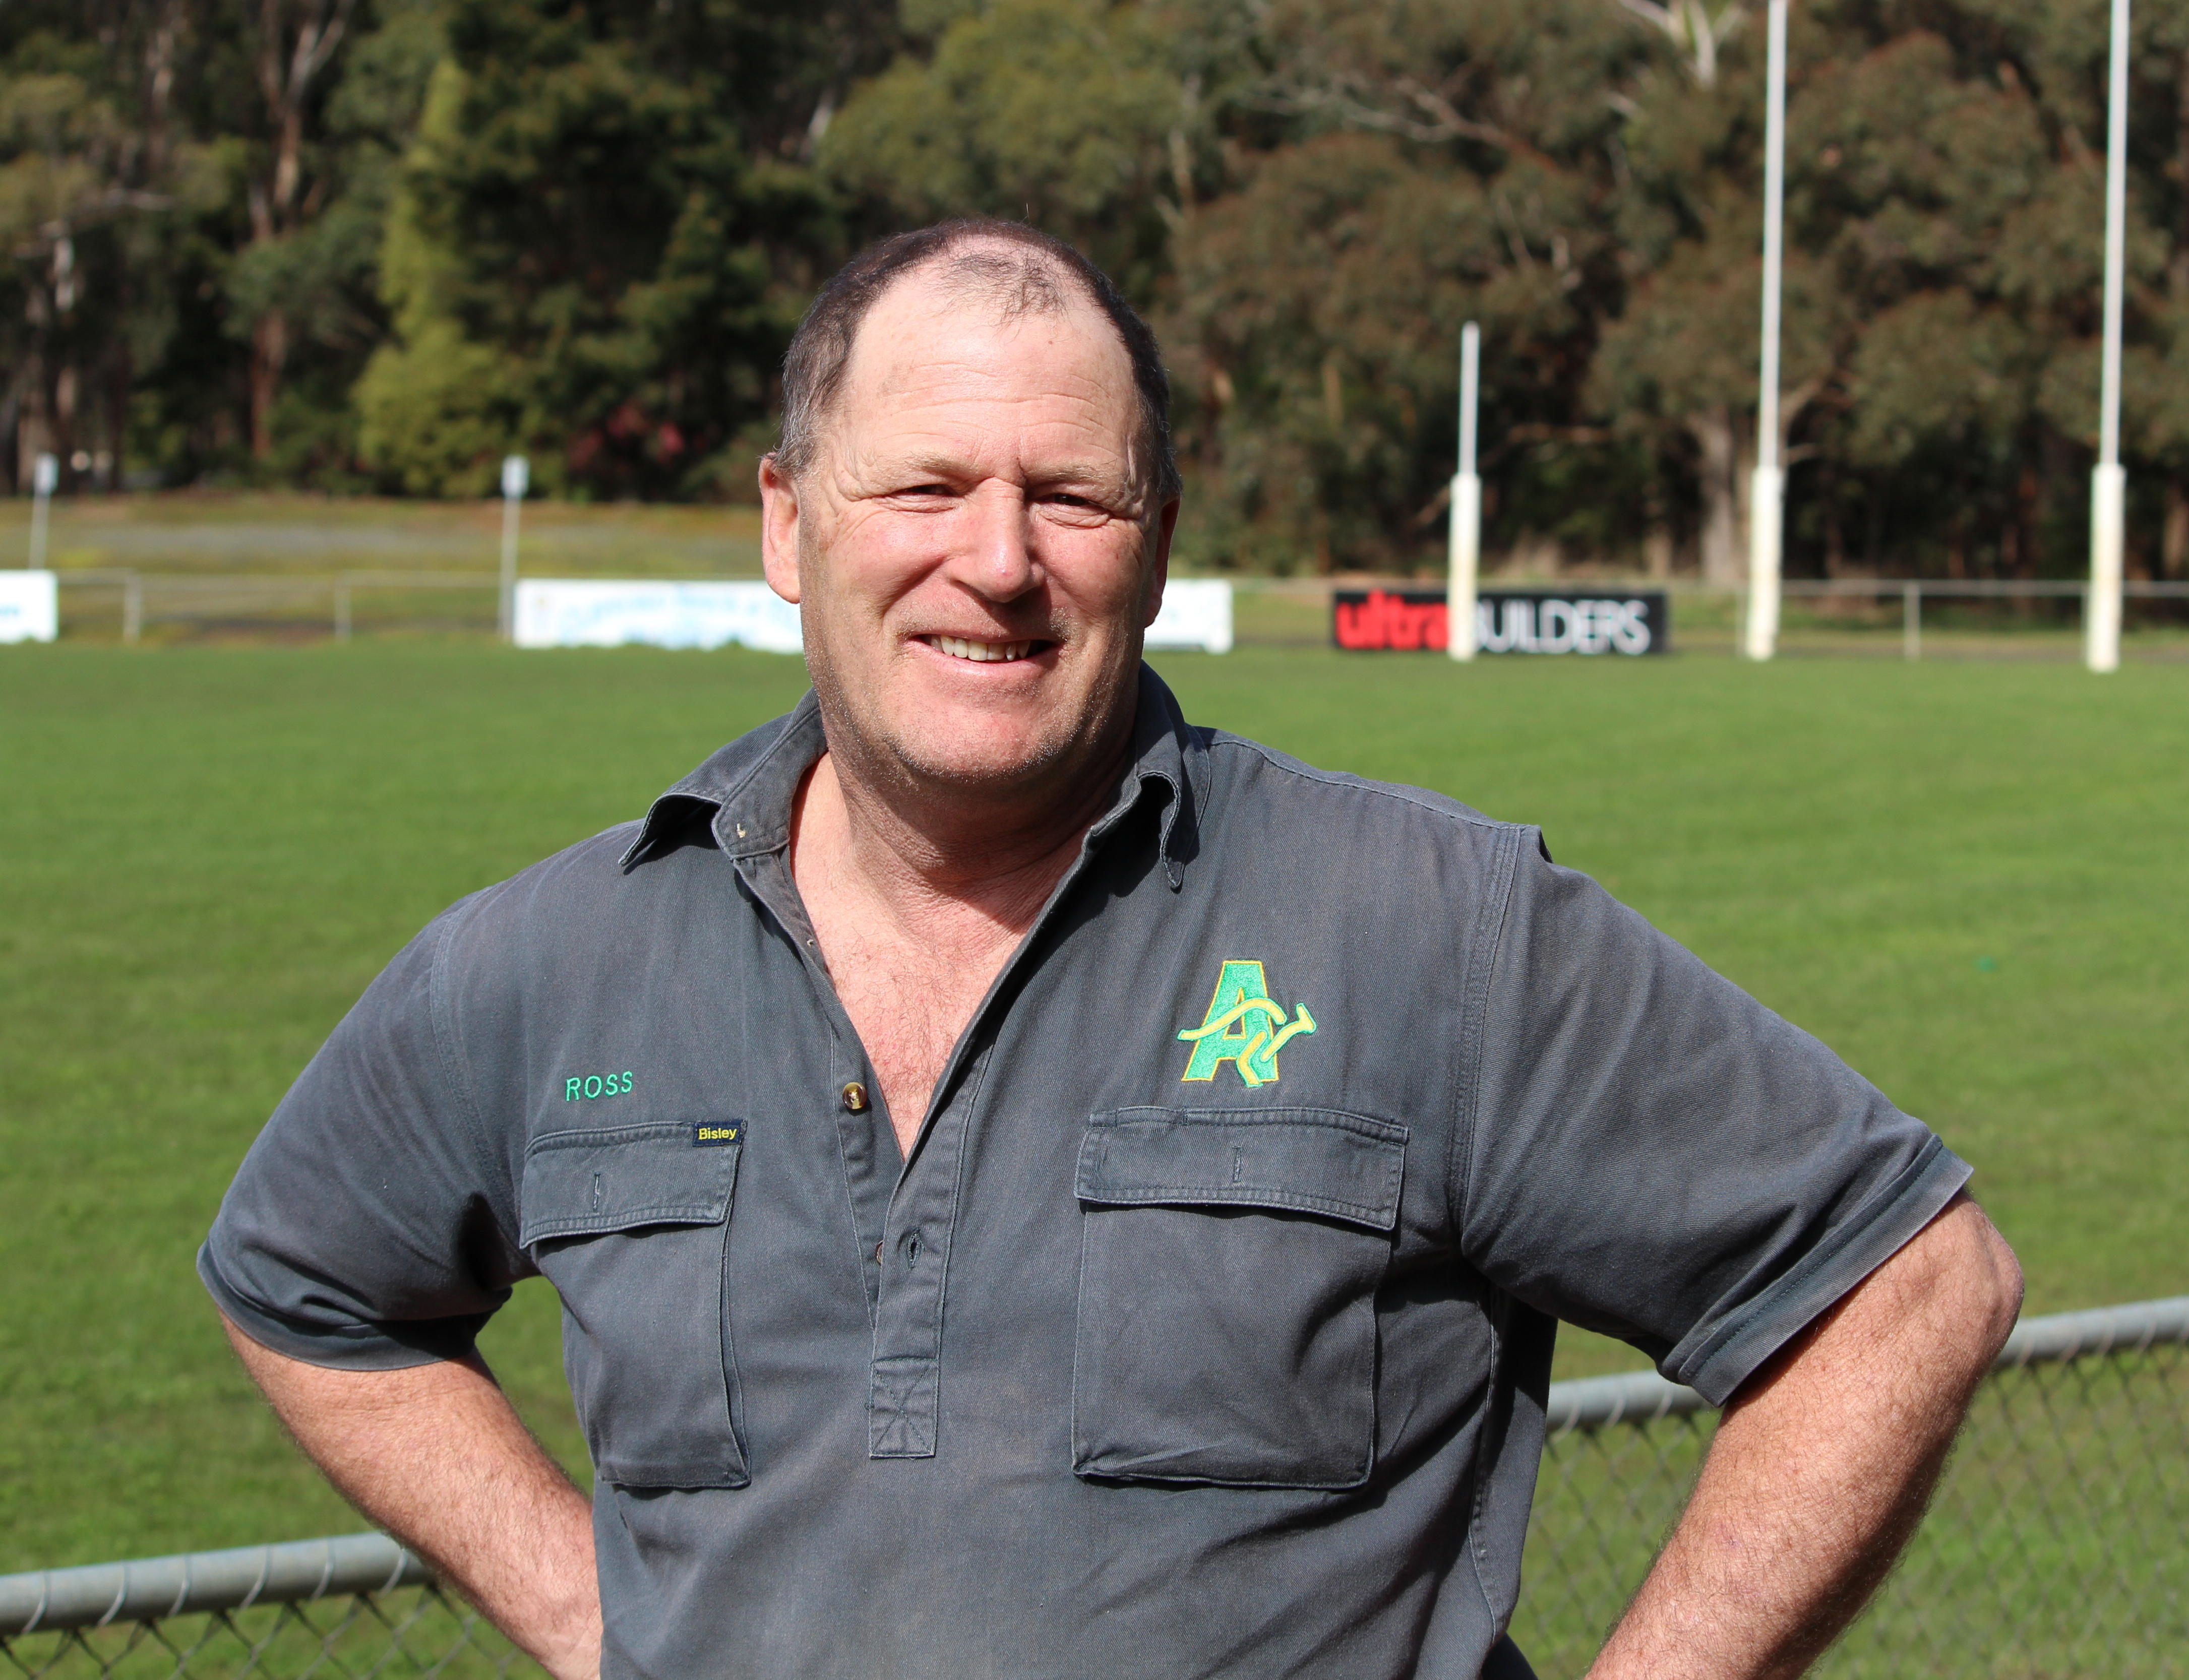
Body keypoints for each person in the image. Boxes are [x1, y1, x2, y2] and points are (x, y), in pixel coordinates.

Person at [201, 218, 2022, 1680]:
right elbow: (306, 1284)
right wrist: (609, 1629)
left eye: (1070, 496)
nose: (996, 561)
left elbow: (1906, 1287)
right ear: (787, 522)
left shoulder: (1424, 927)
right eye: (922, 486)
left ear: (1156, 542)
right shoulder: (551, 963)